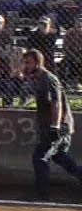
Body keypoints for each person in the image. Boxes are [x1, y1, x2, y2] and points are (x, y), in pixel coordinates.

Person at [21, 48, 82, 200]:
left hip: (58, 126)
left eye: (28, 63)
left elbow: (56, 103)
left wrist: (55, 126)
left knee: (40, 157)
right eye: (25, 62)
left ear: (37, 63)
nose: (26, 66)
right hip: (56, 125)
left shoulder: (48, 79)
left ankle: (42, 194)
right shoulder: (38, 78)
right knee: (60, 157)